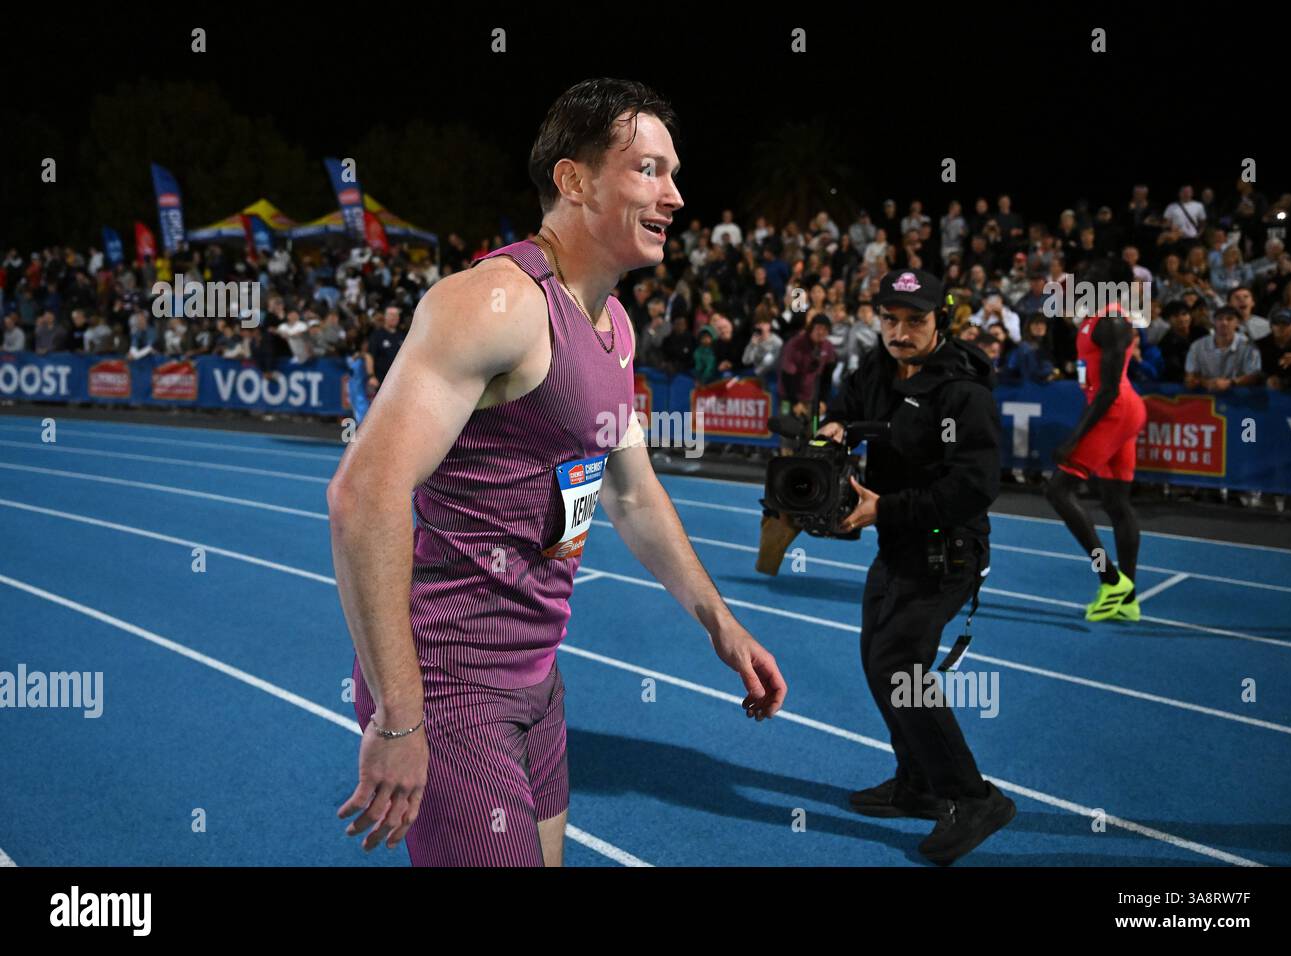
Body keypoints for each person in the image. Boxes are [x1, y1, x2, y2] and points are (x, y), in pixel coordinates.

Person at [327, 78, 786, 868]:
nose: (675, 196)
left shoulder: (615, 324)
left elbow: (632, 492)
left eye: (674, 173)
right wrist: (400, 717)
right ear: (573, 180)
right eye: (648, 170)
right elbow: (363, 495)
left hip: (538, 677)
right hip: (449, 685)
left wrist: (721, 622)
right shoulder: (496, 304)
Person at [817, 268, 1015, 866]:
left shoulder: (962, 393)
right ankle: (918, 783)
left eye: (915, 321)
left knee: (898, 665)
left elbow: (976, 486)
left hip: (946, 550)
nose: (899, 332)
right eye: (890, 319)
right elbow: (848, 408)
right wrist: (835, 428)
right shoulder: (877, 369)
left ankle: (972, 798)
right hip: (896, 544)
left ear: (941, 321)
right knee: (876, 658)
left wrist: (887, 508)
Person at [1044, 268, 1149, 623]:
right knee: (1116, 503)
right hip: (1115, 409)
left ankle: (1110, 579)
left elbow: (1108, 390)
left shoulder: (1112, 321)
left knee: (1058, 490)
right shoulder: (1091, 319)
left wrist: (1074, 438)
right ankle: (1127, 599)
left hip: (1115, 410)